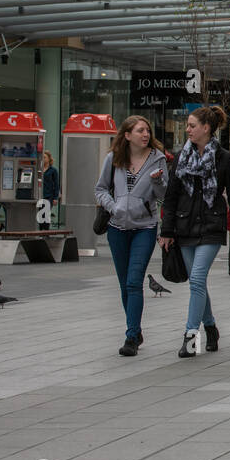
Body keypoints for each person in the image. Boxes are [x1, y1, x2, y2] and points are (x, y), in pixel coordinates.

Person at [158, 105, 230, 358]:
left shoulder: (224, 158)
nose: (187, 130)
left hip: (211, 225)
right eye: (187, 125)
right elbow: (171, 197)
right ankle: (211, 327)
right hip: (184, 227)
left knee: (196, 280)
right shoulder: (180, 157)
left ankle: (190, 337)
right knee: (198, 283)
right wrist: (167, 230)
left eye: (192, 125)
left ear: (206, 128)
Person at [95, 116, 168, 357]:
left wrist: (158, 182)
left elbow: (164, 195)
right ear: (127, 135)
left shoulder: (157, 158)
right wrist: (112, 206)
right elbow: (101, 188)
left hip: (144, 227)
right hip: (117, 228)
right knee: (125, 285)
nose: (145, 134)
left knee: (134, 281)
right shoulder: (113, 158)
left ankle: (130, 337)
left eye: (147, 130)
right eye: (140, 131)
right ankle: (135, 330)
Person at [39, 151, 59, 230]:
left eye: (45, 157)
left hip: (48, 196)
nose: (43, 159)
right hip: (40, 196)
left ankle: (46, 233)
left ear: (49, 159)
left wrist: (55, 198)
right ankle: (40, 233)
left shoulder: (53, 170)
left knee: (46, 215)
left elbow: (56, 185)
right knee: (40, 215)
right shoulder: (39, 169)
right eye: (42, 157)